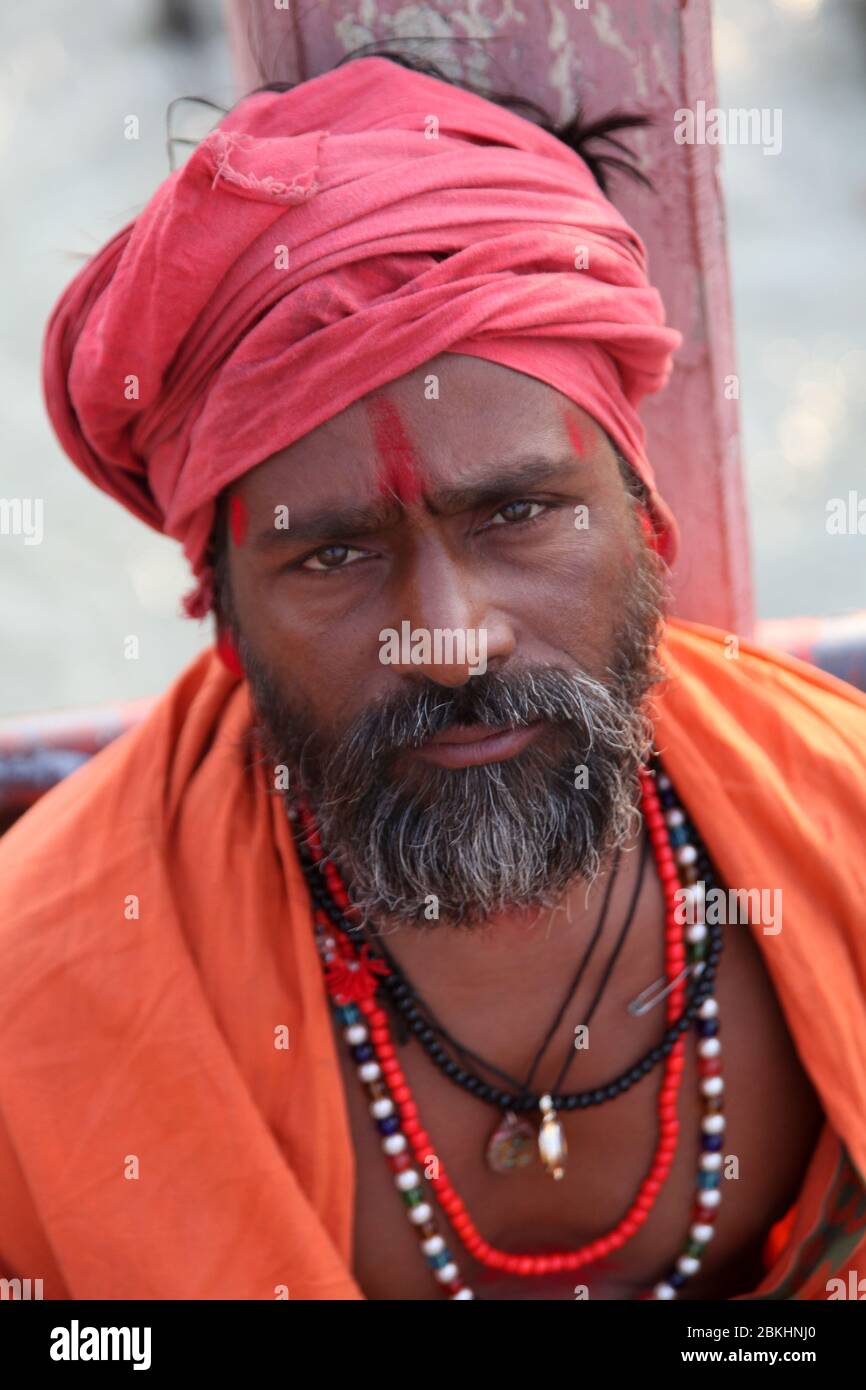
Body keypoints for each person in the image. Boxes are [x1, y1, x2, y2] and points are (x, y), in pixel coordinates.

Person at [1, 52, 865, 1302]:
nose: (449, 637)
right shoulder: (43, 997)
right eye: (334, 552)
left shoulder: (842, 830)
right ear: (227, 620)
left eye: (519, 511)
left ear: (649, 534)